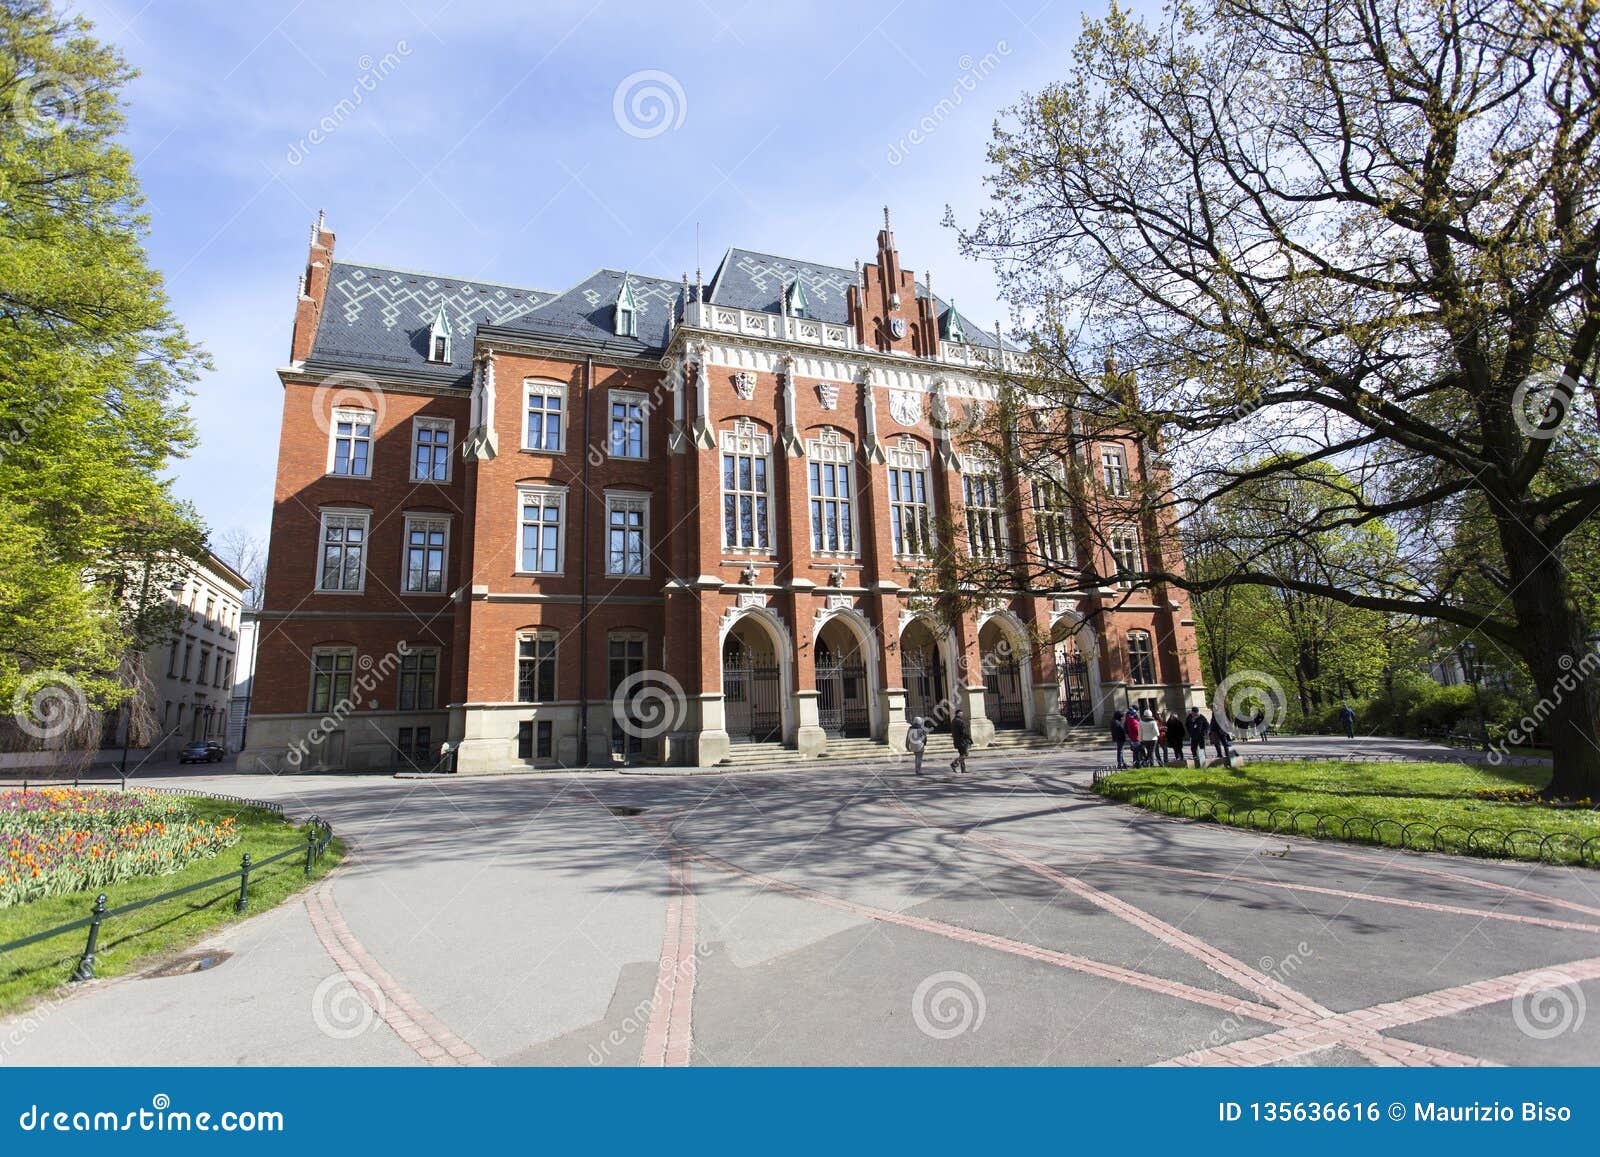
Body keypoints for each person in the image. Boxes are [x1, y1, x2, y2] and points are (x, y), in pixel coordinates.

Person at [950, 707, 972, 775]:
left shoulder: (953, 721)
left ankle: (963, 769)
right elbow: (964, 732)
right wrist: (969, 738)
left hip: (957, 740)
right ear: (957, 714)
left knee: (961, 754)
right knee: (965, 754)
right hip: (962, 741)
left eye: (962, 713)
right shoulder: (960, 721)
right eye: (960, 713)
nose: (962, 714)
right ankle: (954, 763)